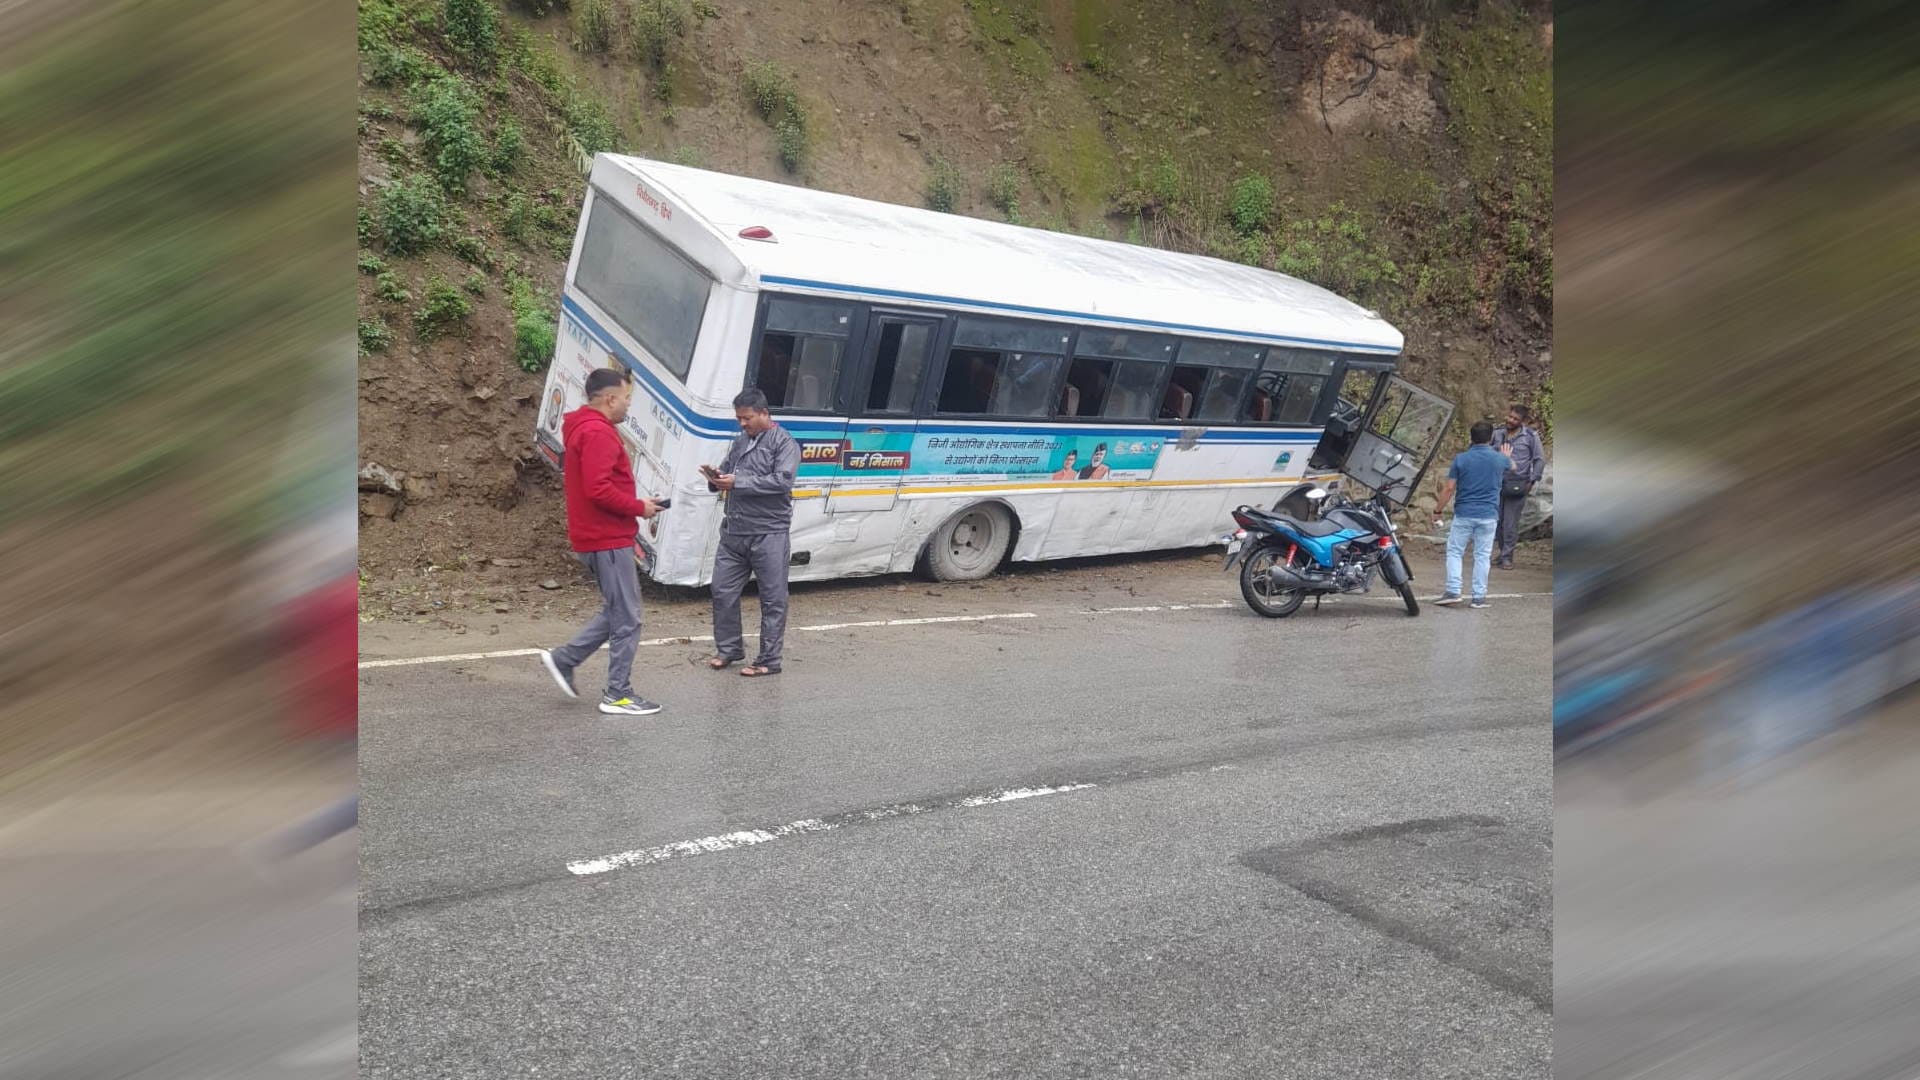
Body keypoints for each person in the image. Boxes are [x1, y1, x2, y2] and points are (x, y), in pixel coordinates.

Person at [538, 367, 663, 716]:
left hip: (598, 536)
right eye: (626, 398)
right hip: (606, 538)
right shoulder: (598, 433)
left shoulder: (584, 427)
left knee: (617, 611)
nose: (628, 405)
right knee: (628, 618)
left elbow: (597, 486)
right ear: (610, 399)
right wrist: (639, 507)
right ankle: (618, 694)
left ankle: (565, 659)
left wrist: (637, 504)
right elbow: (598, 489)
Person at [706, 388, 802, 677]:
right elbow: (728, 472)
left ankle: (769, 660)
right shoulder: (741, 441)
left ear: (764, 413)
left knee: (773, 599)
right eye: (739, 418)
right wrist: (715, 479)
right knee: (721, 590)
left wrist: (738, 482)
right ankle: (729, 649)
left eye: (747, 418)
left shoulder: (785, 443)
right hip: (734, 532)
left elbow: (782, 481)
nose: (742, 423)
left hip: (769, 532)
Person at [1431, 420, 1514, 609]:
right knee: (1482, 556)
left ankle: (1453, 591)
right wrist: (1506, 456)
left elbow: (1449, 488)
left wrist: (1438, 510)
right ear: (1491, 437)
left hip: (1464, 513)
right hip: (1489, 514)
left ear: (1471, 437)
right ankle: (1478, 598)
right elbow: (1514, 466)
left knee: (1455, 551)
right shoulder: (1499, 459)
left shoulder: (1461, 459)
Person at [1492, 403, 1546, 569]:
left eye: (1515, 419)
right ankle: (1503, 552)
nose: (1510, 420)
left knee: (1510, 523)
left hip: (1517, 485)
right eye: (1510, 416)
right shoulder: (1497, 433)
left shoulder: (1530, 436)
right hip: (1496, 483)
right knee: (1497, 522)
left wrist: (1532, 481)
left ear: (1522, 421)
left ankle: (1507, 557)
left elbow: (1539, 459)